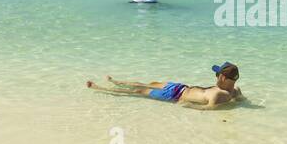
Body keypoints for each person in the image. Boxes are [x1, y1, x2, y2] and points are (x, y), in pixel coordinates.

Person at [87, 62, 242, 109]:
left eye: (216, 74)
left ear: (221, 77)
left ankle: (103, 88)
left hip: (174, 94)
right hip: (181, 88)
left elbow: (208, 109)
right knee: (147, 85)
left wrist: (187, 105)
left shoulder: (217, 94)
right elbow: (240, 100)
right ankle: (116, 82)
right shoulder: (235, 91)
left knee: (139, 91)